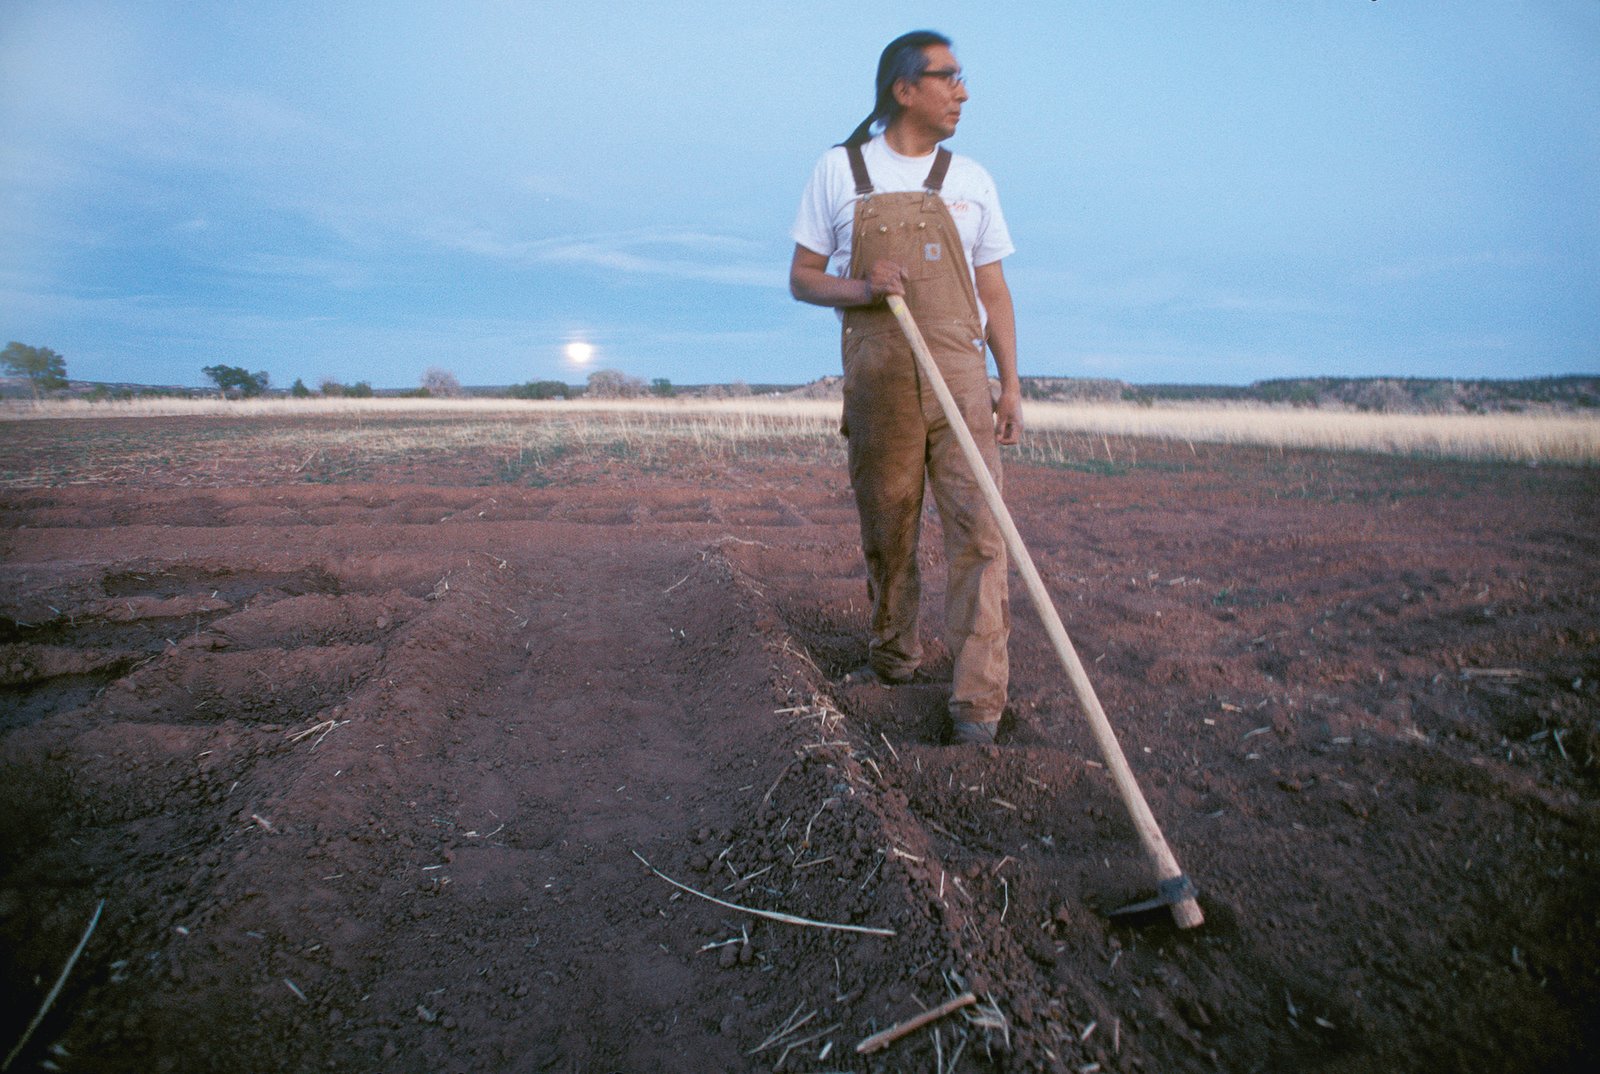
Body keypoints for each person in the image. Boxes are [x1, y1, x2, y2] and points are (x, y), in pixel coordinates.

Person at [789, 30, 1022, 745]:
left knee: (981, 536)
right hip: (879, 380)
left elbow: (993, 288)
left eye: (961, 78)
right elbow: (802, 278)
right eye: (948, 77)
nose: (963, 91)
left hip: (959, 376)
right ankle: (893, 658)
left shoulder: (972, 180)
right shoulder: (841, 170)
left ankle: (978, 705)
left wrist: (1010, 384)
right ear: (904, 88)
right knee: (889, 533)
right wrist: (862, 286)